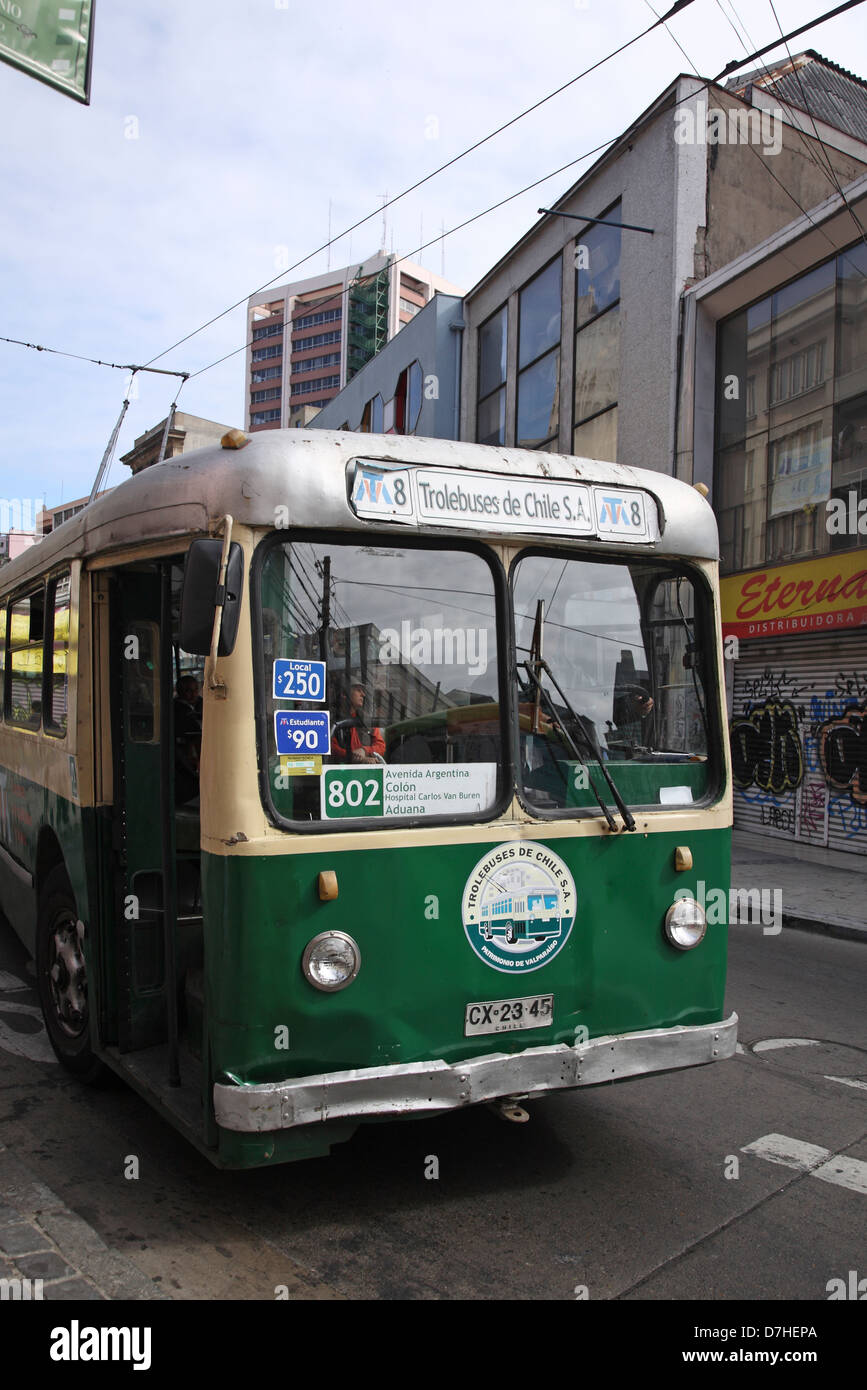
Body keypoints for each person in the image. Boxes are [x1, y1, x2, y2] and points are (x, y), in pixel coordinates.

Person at [331, 682, 385, 763]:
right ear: (344, 694)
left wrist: (364, 750)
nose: (363, 694)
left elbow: (381, 746)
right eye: (358, 690)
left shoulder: (366, 721)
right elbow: (331, 748)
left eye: (363, 691)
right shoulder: (331, 720)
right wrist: (354, 757)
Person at [174, 675, 202, 804]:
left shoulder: (202, 704)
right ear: (180, 692)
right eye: (188, 690)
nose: (194, 694)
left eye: (196, 689)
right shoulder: (177, 710)